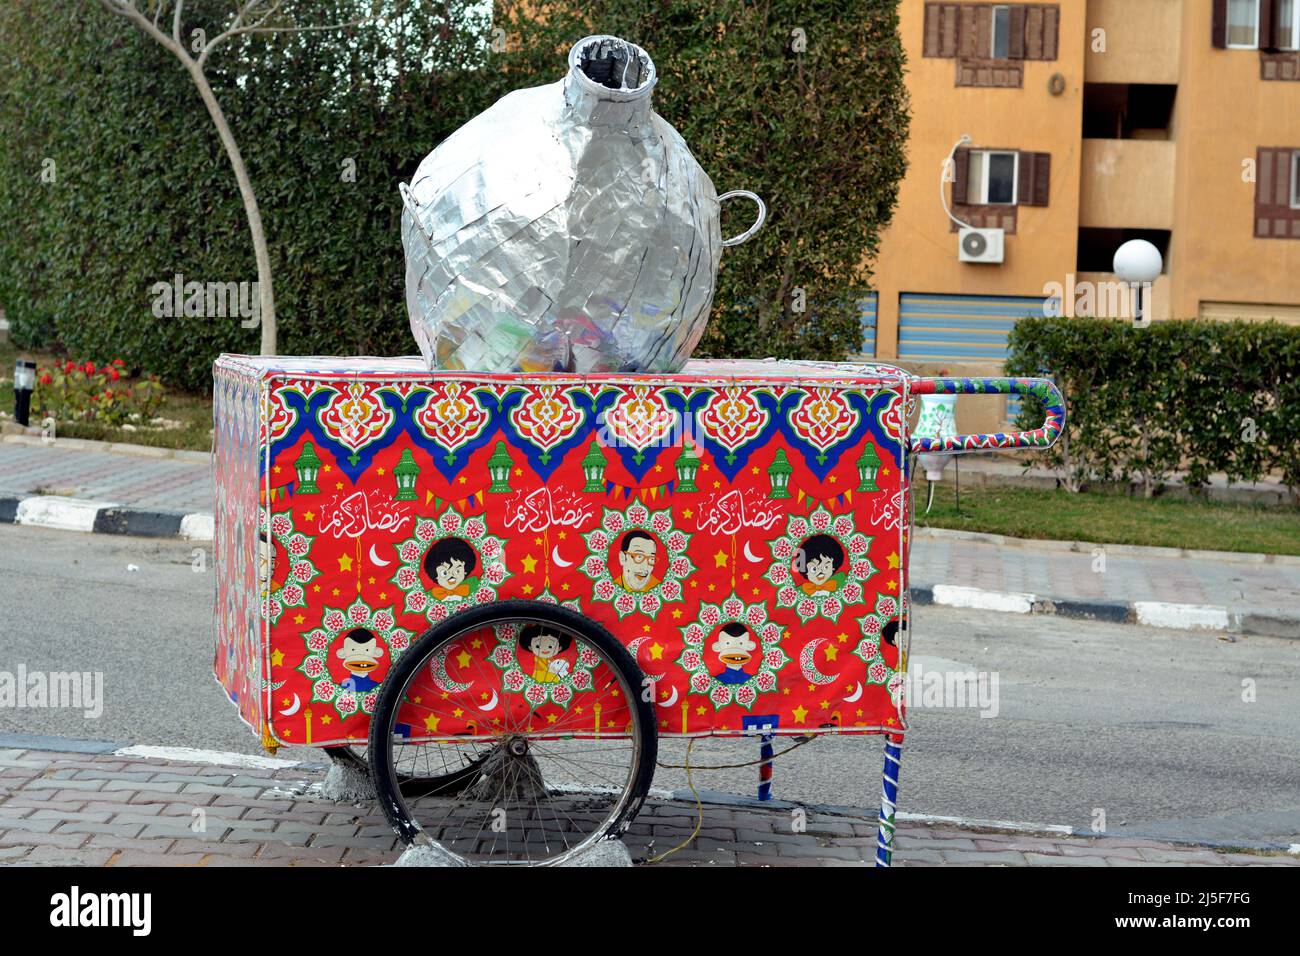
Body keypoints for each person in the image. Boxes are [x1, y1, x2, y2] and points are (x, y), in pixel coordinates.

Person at [336, 628, 385, 692]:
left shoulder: (377, 687)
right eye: (353, 650)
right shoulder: (342, 687)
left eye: (367, 650)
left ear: (376, 652)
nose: (360, 658)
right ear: (342, 653)